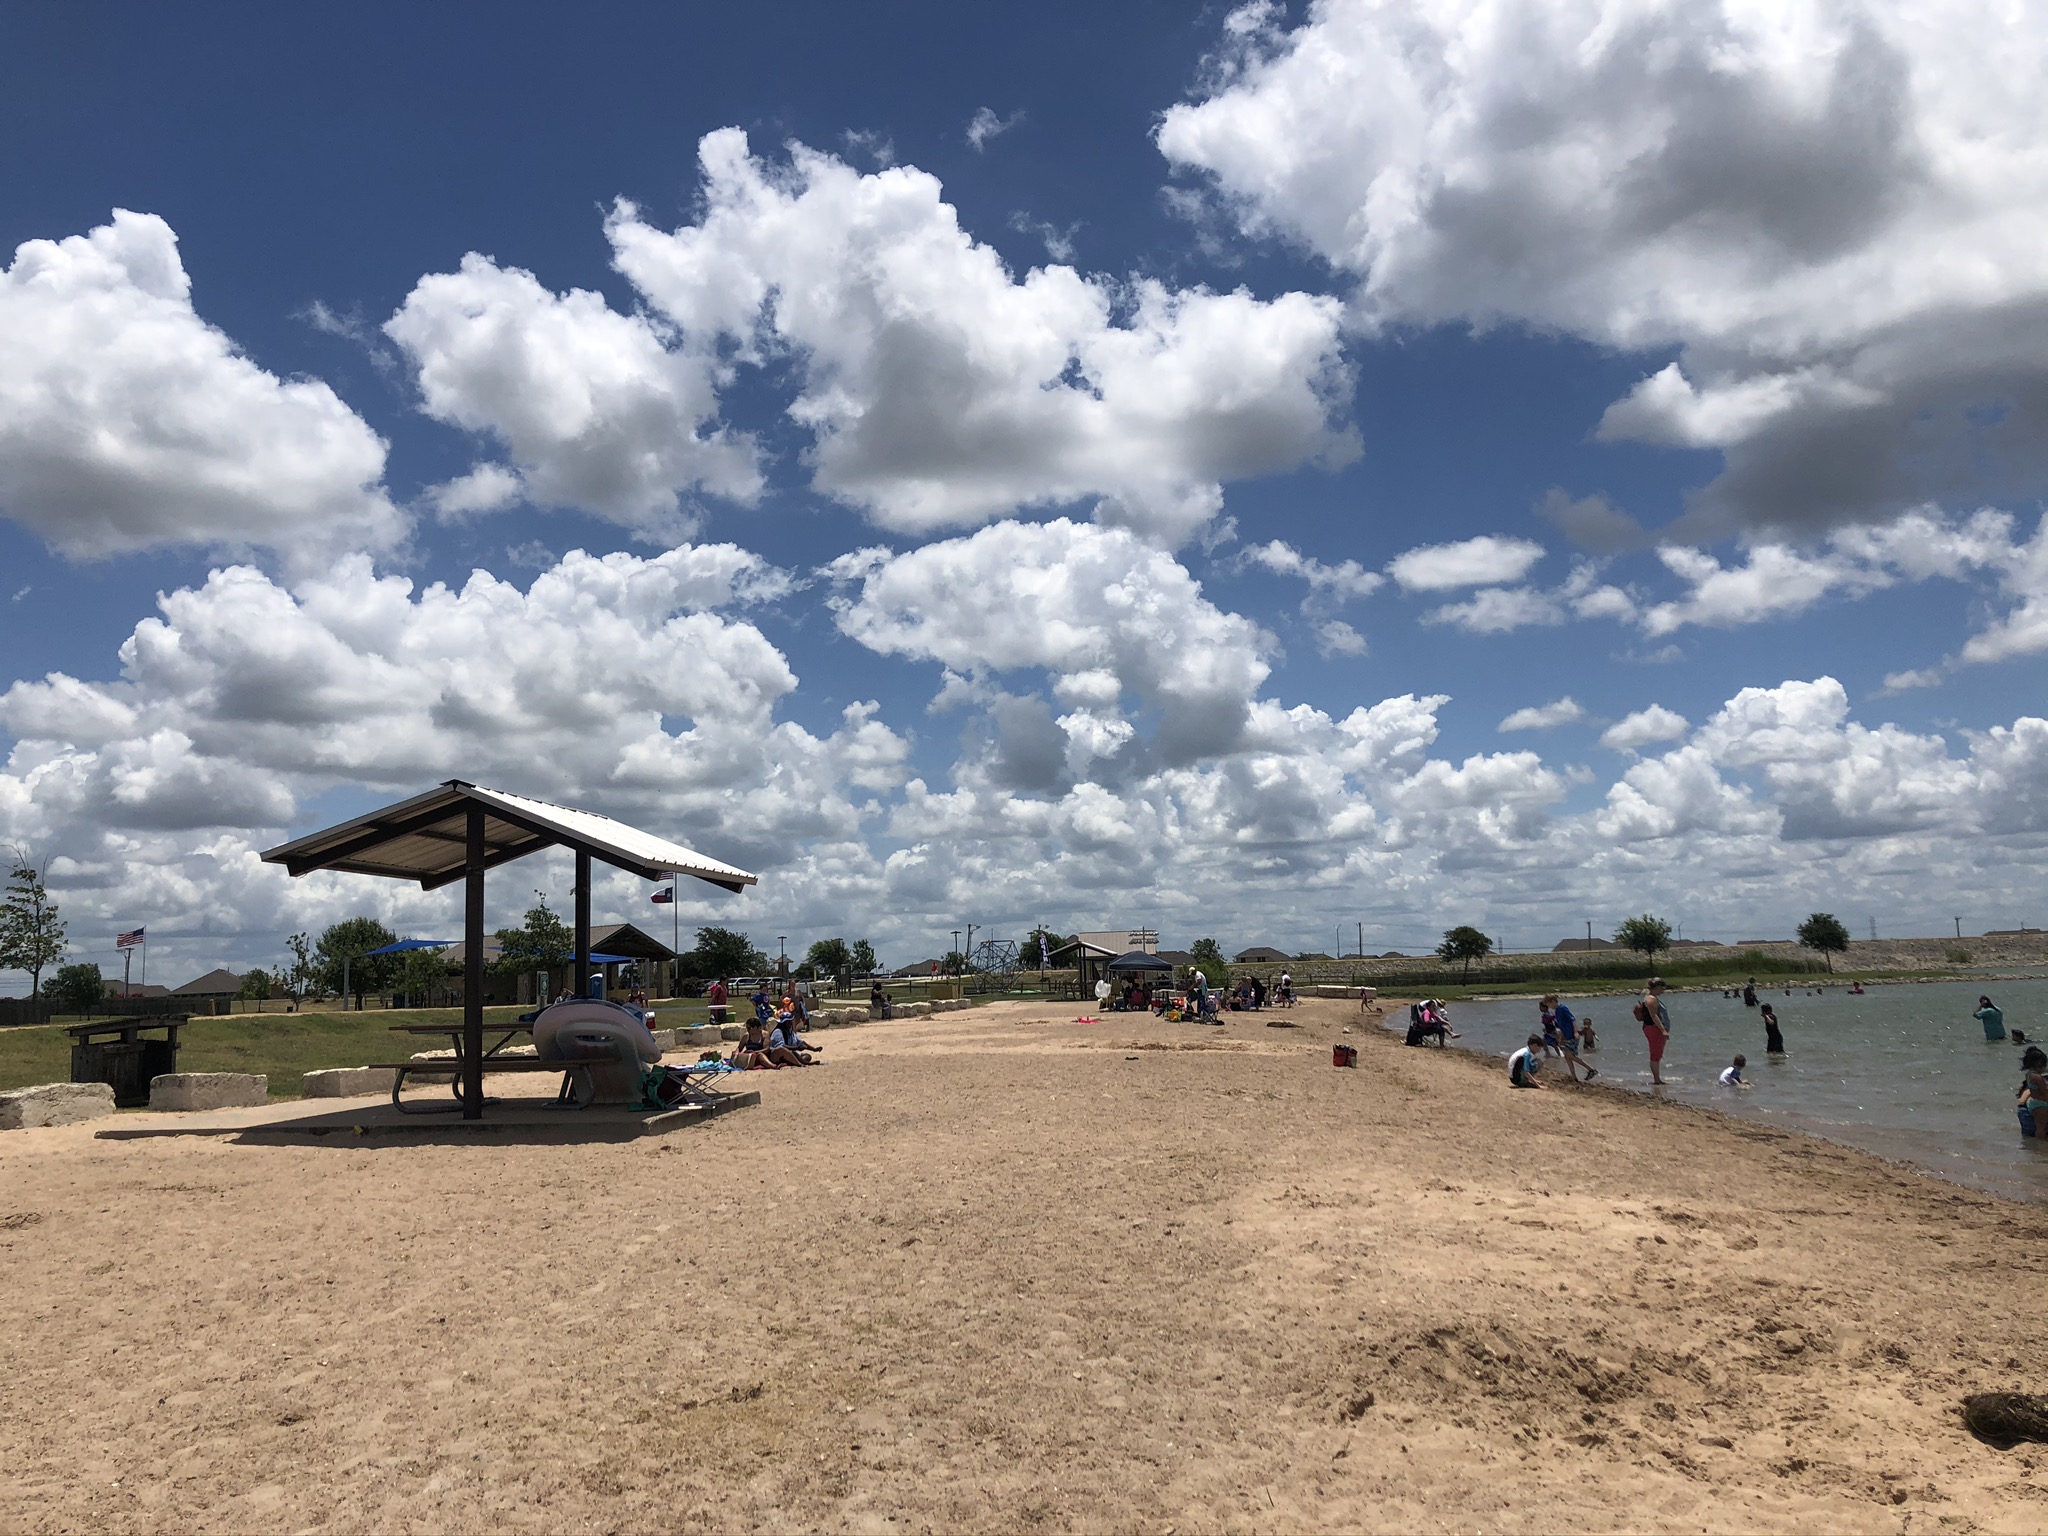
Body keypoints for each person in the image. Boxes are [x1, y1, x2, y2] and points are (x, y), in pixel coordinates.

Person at [1540, 993, 1597, 1082]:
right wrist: (1561, 1038)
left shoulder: (1562, 1008)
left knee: (1570, 1055)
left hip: (1572, 1036)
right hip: (1566, 1036)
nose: (1549, 1007)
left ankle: (1591, 1069)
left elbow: (1573, 1019)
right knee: (1567, 1057)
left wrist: (1575, 1032)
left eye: (1549, 1005)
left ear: (1554, 1001)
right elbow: (1561, 1026)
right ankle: (1574, 1077)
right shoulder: (1556, 1011)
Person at [1637, 977, 1672, 1085]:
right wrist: (1663, 1030)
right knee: (1655, 1054)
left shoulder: (1650, 997)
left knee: (1656, 1054)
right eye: (1662, 988)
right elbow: (1654, 1016)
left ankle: (1657, 1078)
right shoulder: (1651, 999)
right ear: (1657, 987)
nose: (1663, 991)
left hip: (1652, 1028)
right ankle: (1657, 1079)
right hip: (1654, 1028)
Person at [2017, 1046, 2048, 1137]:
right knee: (2042, 1127)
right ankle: (2041, 1146)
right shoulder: (2038, 1078)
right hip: (2041, 1104)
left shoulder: (2029, 1075)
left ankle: (2039, 1145)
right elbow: (2045, 1091)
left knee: (2040, 1126)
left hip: (2034, 1103)